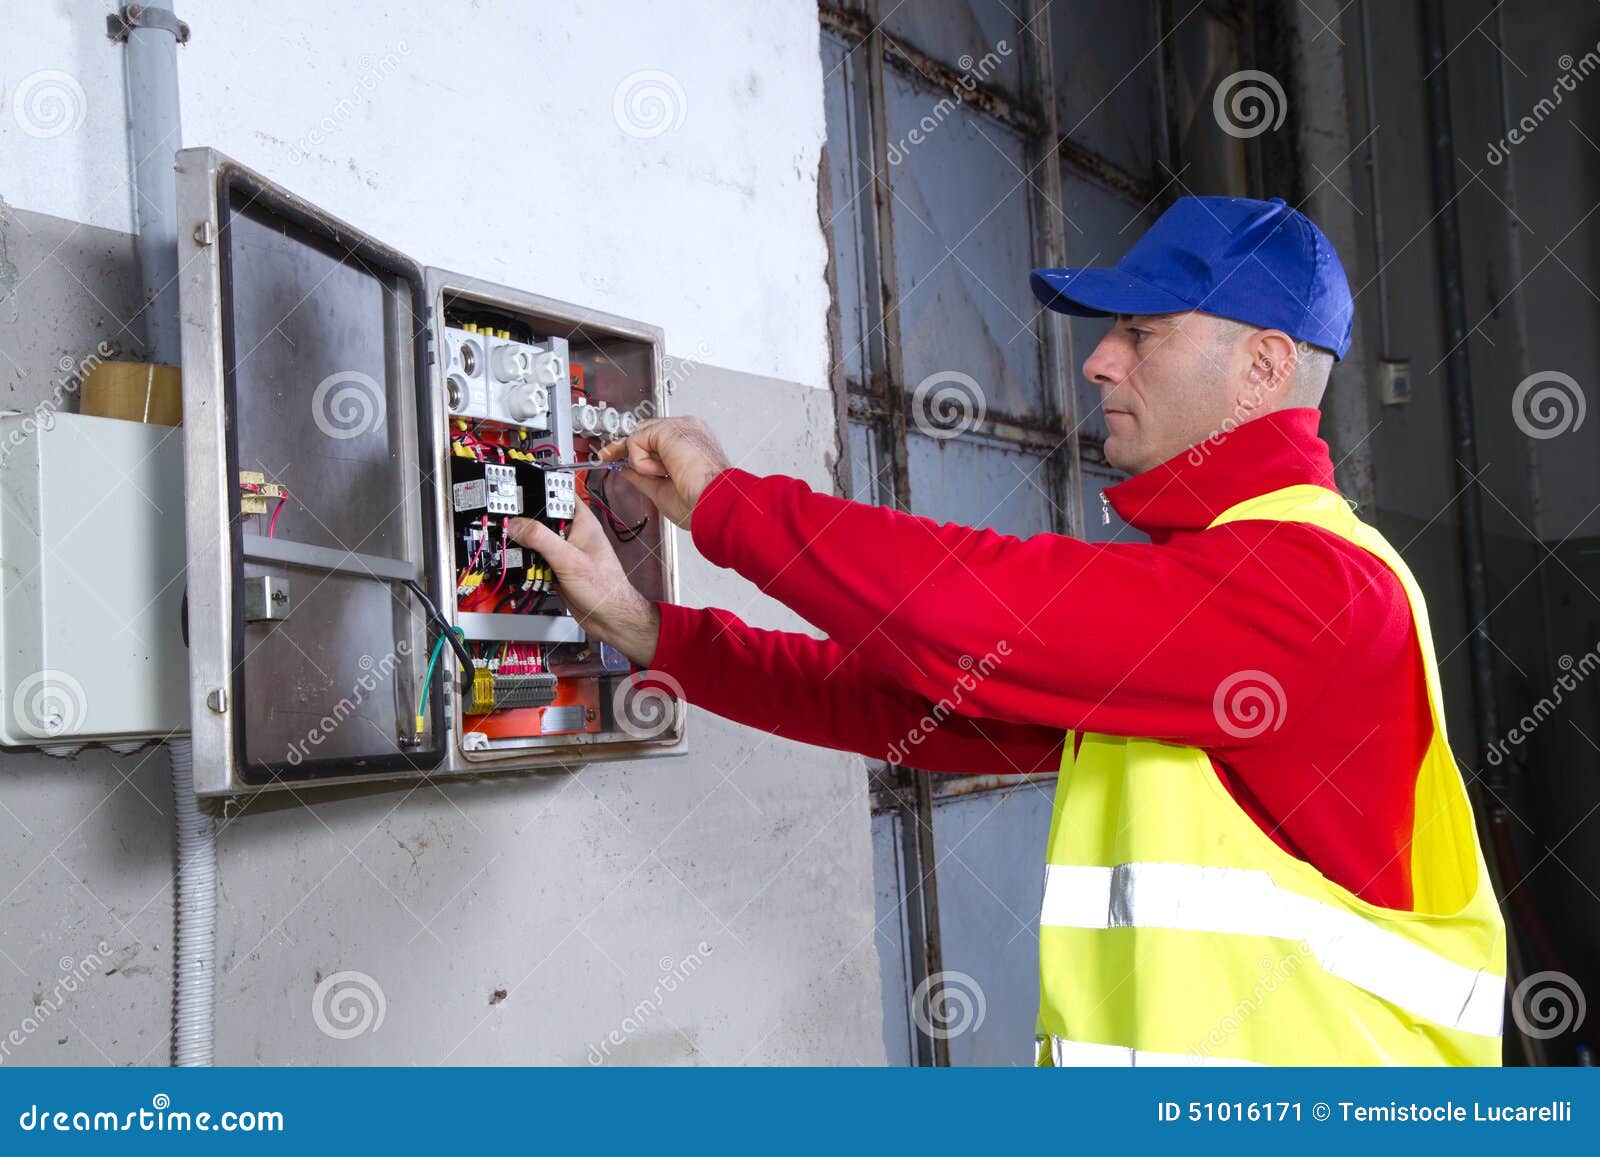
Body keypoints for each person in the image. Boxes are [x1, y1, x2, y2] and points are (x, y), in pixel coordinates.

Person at [508, 195, 1505, 1066]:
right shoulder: (1211, 585)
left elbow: (963, 612)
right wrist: (649, 630)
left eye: (1144, 330)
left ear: (1261, 366)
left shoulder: (1314, 589)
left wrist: (731, 503)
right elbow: (913, 700)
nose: (1099, 360)